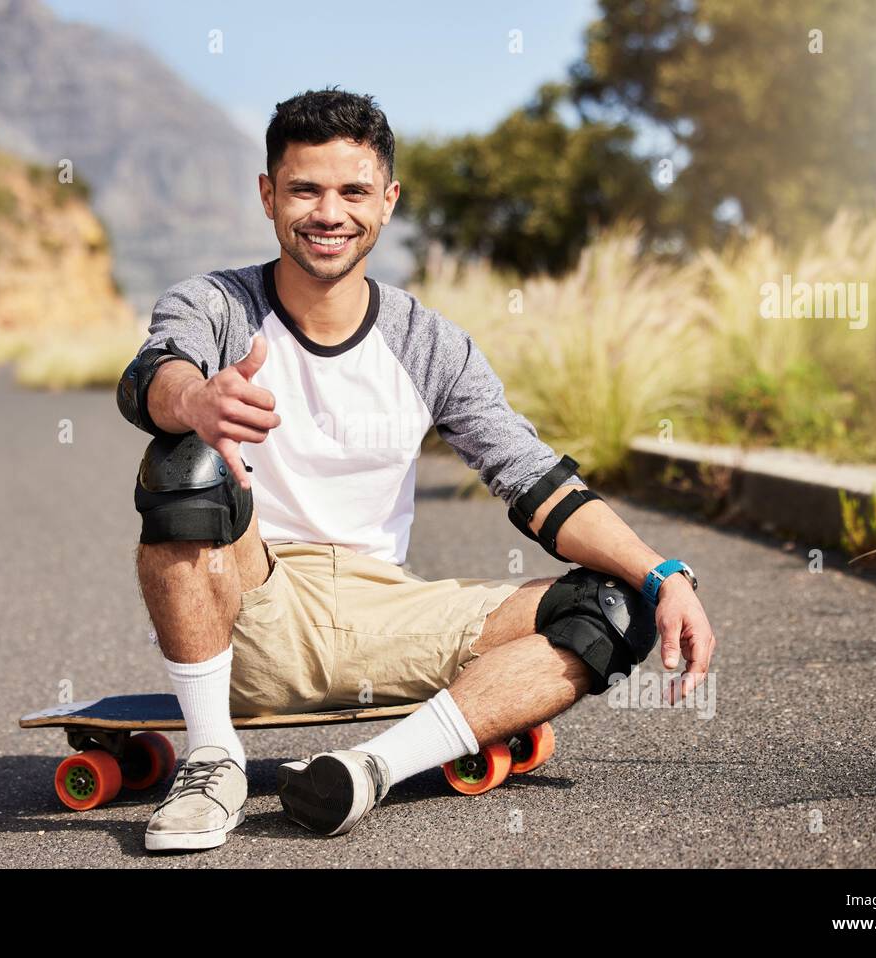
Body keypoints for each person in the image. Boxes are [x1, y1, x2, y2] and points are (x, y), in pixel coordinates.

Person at [117, 87, 716, 853]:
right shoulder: (215, 304)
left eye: (353, 191)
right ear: (268, 195)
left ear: (388, 201)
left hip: (389, 617)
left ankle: (368, 770)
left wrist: (664, 575)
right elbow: (151, 374)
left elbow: (534, 479)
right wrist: (195, 398)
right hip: (250, 605)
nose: (328, 212)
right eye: (304, 188)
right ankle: (211, 760)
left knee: (617, 601)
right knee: (184, 459)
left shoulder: (428, 342)